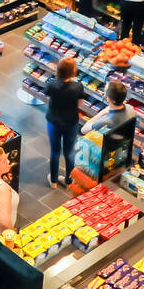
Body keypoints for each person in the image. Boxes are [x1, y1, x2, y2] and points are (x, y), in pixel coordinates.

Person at [44, 56, 86, 189]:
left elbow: (47, 96)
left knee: (55, 151)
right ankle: (69, 180)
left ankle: (54, 181)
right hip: (71, 123)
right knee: (69, 152)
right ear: (73, 71)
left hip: (54, 121)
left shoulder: (52, 84)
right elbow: (80, 104)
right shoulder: (77, 87)